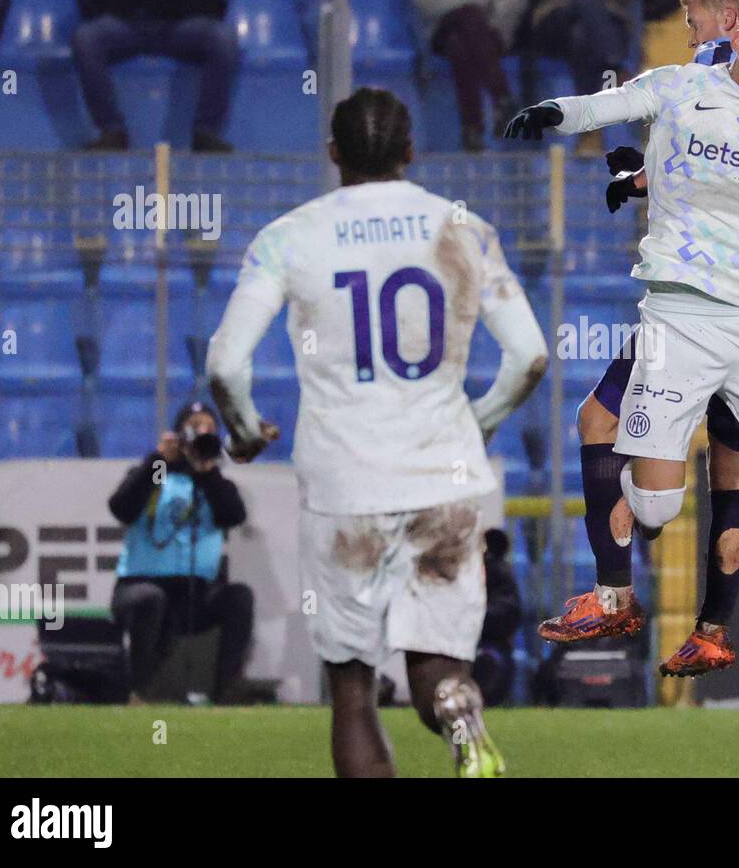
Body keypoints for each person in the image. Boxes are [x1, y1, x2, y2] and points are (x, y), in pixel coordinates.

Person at [505, 0, 739, 676]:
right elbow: (599, 107)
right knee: (656, 502)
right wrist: (554, 113)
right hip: (676, 320)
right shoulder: (680, 87)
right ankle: (626, 595)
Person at [206, 87, 547, 778]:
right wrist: (474, 423)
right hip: (443, 476)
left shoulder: (288, 235)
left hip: (344, 481)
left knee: (353, 688)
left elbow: (225, 363)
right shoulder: (463, 228)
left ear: (332, 154)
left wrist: (241, 431)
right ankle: (456, 707)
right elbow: (531, 356)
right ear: (411, 150)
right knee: (439, 666)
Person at [106, 401, 252, 704]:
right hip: (139, 588)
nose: (203, 433)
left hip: (193, 596)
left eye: (210, 429)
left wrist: (206, 472)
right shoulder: (156, 474)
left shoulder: (214, 484)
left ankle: (226, 695)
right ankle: (138, 692)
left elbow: (233, 515)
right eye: (196, 427)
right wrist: (157, 461)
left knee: (239, 597)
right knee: (151, 599)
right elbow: (121, 508)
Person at [72, 0, 238, 152]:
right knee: (86, 38)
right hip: (128, 19)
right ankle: (111, 130)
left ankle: (206, 131)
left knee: (222, 38)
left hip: (184, 20)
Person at [525, 0, 643, 157]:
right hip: (555, 19)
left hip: (606, 23)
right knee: (586, 5)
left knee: (582, 35)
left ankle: (589, 132)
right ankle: (615, 65)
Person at [413, 0, 527, 151]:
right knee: (469, 15)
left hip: (492, 31)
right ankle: (502, 98)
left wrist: (488, 20)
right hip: (445, 27)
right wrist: (475, 2)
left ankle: (472, 127)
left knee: (460, 45)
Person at [473, 527, 522, 705]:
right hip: (482, 642)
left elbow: (507, 613)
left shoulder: (497, 573)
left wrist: (474, 619)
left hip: (489, 642)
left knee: (490, 660)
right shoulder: (498, 573)